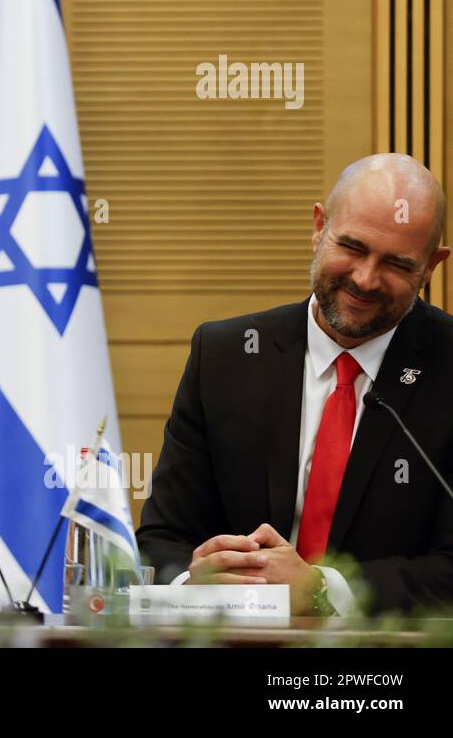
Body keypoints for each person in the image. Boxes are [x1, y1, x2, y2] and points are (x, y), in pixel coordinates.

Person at [138, 153, 453, 615]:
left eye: (397, 265)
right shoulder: (225, 355)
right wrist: (196, 579)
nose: (365, 279)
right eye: (352, 247)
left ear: (431, 266)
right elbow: (163, 538)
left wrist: (323, 589)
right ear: (318, 226)